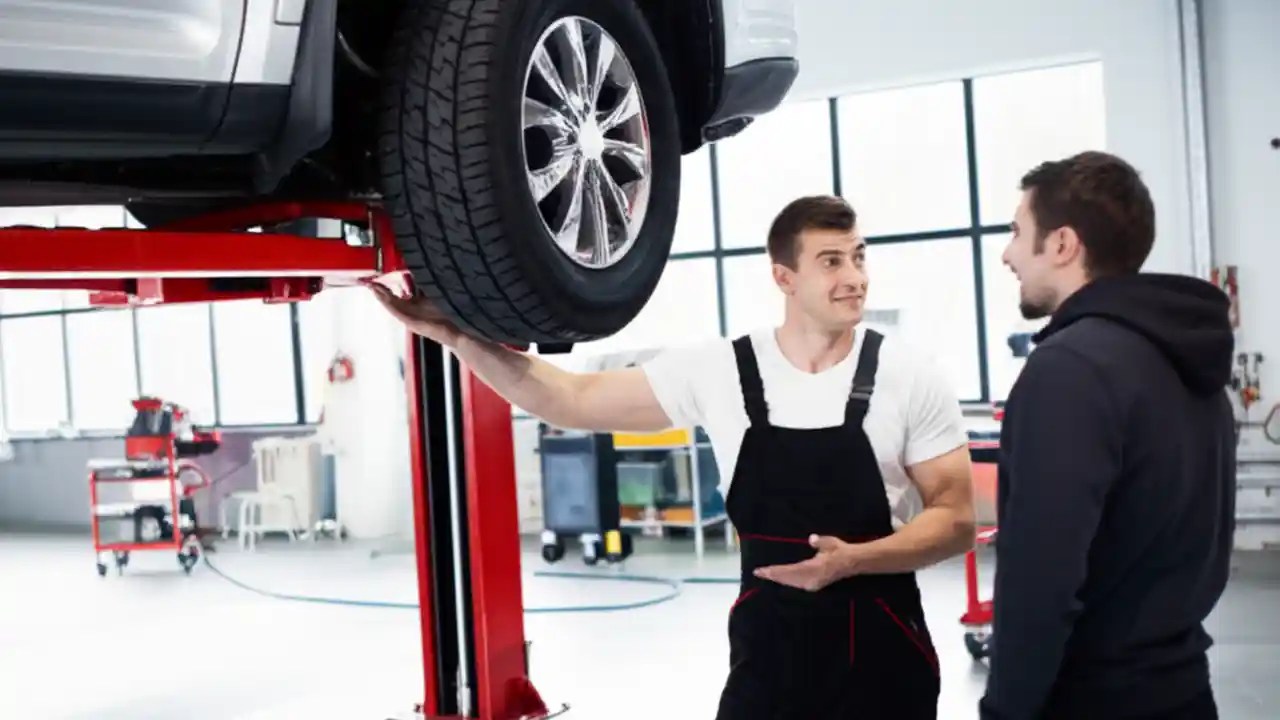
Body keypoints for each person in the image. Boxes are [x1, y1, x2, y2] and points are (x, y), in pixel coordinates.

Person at [370, 195, 976, 719]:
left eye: (860, 256)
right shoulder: (723, 371)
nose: (855, 277)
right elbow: (573, 399)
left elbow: (954, 520)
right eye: (832, 261)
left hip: (886, 653)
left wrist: (856, 561)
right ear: (784, 278)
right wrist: (458, 337)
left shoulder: (908, 374)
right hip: (770, 657)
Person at [978, 151, 1236, 720]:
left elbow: (1040, 583)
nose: (1007, 254)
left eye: (1019, 232)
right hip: (1184, 691)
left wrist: (1005, 712)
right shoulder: (1193, 363)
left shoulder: (1070, 369)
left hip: (1093, 701)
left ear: (1064, 244)